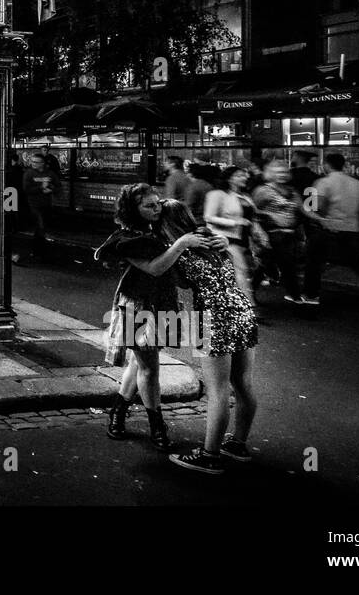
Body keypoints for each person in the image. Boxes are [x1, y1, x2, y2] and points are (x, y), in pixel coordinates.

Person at [95, 184, 227, 451]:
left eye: (157, 203)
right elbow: (155, 268)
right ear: (133, 209)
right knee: (149, 367)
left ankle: (118, 411)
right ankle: (157, 426)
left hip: (163, 302)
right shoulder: (127, 239)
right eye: (149, 206)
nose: (157, 209)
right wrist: (180, 244)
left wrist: (222, 241)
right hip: (138, 304)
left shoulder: (159, 228)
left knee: (142, 360)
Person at [159, 200, 259, 475]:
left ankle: (210, 455)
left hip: (211, 316)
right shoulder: (213, 239)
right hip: (241, 308)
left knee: (217, 390)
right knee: (243, 384)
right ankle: (238, 443)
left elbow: (180, 282)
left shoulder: (179, 249)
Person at [306, 151, 359, 311]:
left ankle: (311, 295)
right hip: (353, 229)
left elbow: (314, 207)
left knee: (314, 262)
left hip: (329, 228)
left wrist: (314, 214)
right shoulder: (358, 184)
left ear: (326, 165)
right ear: (344, 165)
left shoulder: (322, 182)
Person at [252, 158, 307, 303]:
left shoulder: (292, 191)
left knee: (270, 265)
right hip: (272, 235)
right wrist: (261, 231)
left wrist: (321, 219)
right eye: (277, 172)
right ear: (270, 174)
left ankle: (250, 290)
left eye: (284, 172)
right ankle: (296, 297)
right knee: (285, 265)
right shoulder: (263, 190)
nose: (281, 175)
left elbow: (302, 210)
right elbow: (254, 213)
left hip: (290, 235)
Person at [204, 165, 258, 303]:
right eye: (239, 175)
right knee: (240, 270)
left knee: (238, 271)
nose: (245, 177)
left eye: (245, 175)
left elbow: (252, 217)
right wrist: (235, 222)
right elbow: (209, 217)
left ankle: (229, 301)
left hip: (242, 238)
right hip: (224, 237)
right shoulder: (217, 194)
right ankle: (248, 305)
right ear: (229, 178)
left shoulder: (244, 196)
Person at [17, 153, 55, 265]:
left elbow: (57, 185)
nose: (33, 164)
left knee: (41, 228)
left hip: (46, 204)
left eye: (36, 162)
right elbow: (26, 189)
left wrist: (51, 188)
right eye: (32, 161)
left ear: (43, 163)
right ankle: (39, 251)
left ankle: (38, 250)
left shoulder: (50, 173)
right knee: (41, 226)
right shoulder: (28, 174)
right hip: (33, 205)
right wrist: (41, 187)